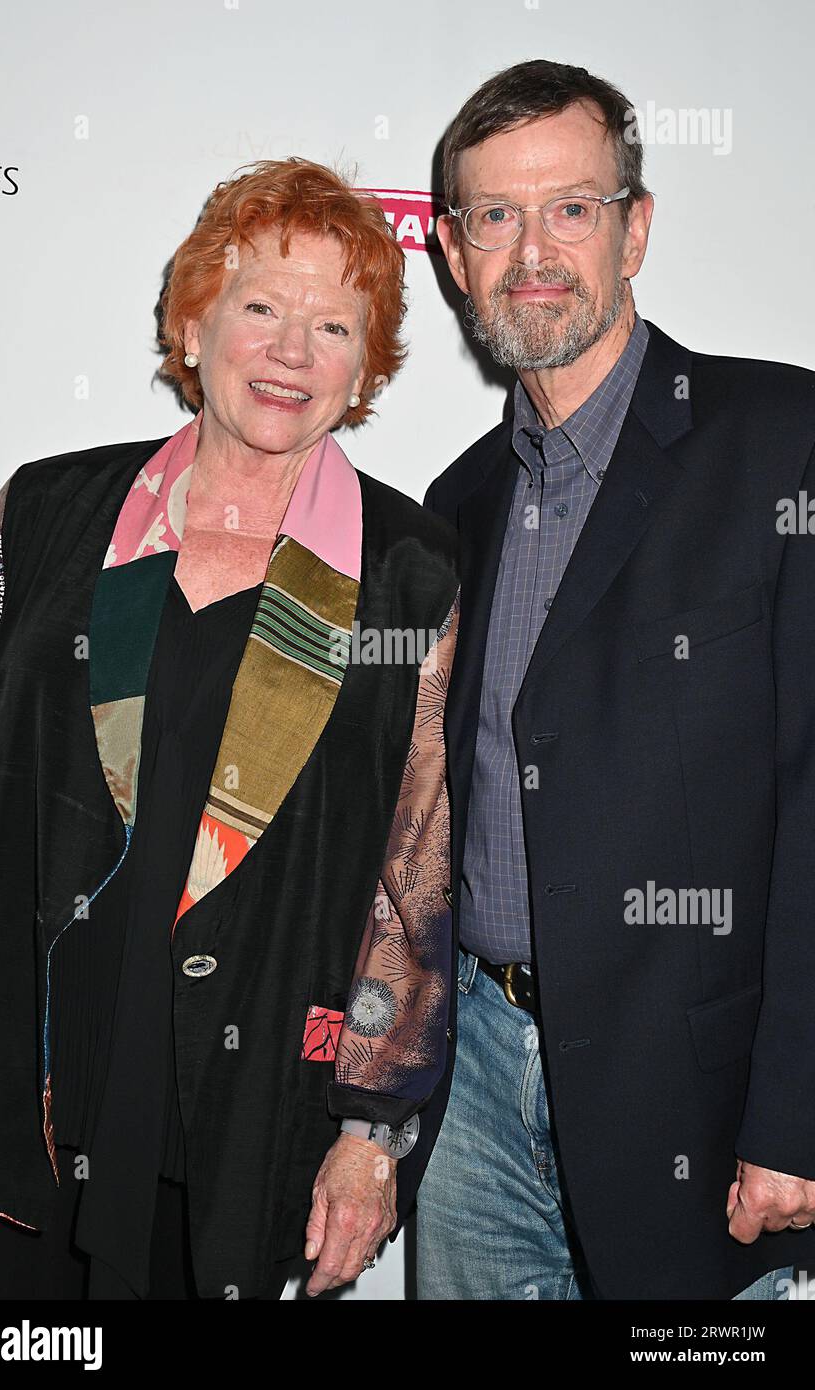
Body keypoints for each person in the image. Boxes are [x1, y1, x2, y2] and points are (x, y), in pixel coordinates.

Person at [0, 157, 460, 1300]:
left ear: (364, 367)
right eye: (262, 306)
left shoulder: (411, 570)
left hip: (248, 1107)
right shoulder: (45, 510)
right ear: (194, 323)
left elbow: (417, 878)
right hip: (33, 1084)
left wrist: (370, 1134)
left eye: (336, 324)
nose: (292, 350)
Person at [414, 59, 815, 1300]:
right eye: (496, 216)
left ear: (635, 229)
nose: (534, 251)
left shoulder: (781, 441)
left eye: (573, 208)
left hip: (697, 1097)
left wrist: (797, 1111)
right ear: (451, 251)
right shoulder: (456, 506)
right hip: (471, 1091)